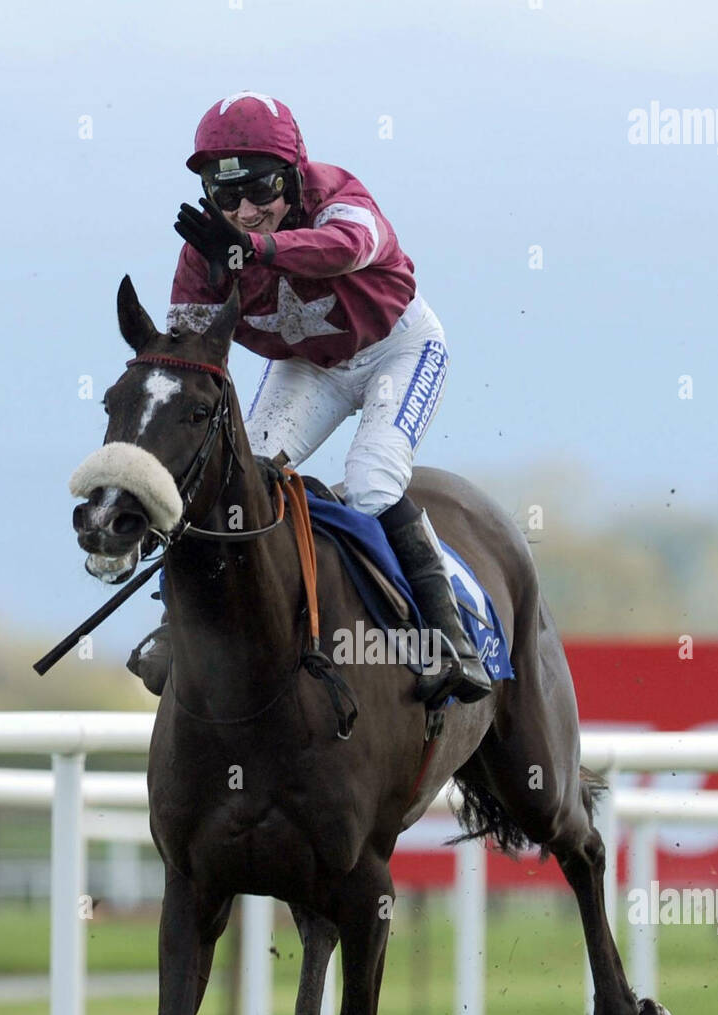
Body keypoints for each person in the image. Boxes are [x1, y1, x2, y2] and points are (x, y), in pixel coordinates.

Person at [130, 91, 490, 707]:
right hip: (309, 368)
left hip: (397, 349)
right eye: (225, 192)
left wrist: (259, 253)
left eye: (261, 189)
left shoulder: (340, 196)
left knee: (372, 482)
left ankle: (451, 640)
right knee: (241, 479)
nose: (244, 210)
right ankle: (177, 623)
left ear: (296, 174)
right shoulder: (205, 251)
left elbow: (346, 249)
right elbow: (189, 356)